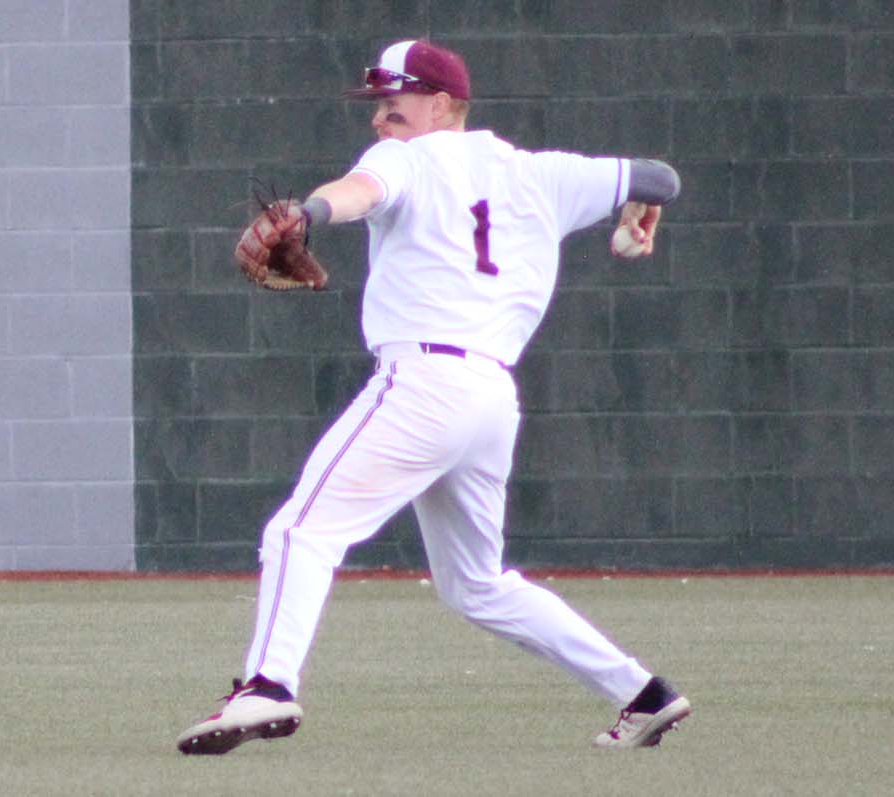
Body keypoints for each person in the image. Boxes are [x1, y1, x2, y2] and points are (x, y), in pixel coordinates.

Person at [177, 38, 688, 755]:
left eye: (396, 101)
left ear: (444, 104)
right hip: (490, 398)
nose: (382, 119)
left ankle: (268, 685)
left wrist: (310, 213)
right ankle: (645, 694)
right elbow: (660, 176)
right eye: (377, 106)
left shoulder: (407, 158)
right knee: (476, 584)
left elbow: (361, 194)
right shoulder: (543, 173)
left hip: (423, 382)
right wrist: (640, 207)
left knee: (300, 530)